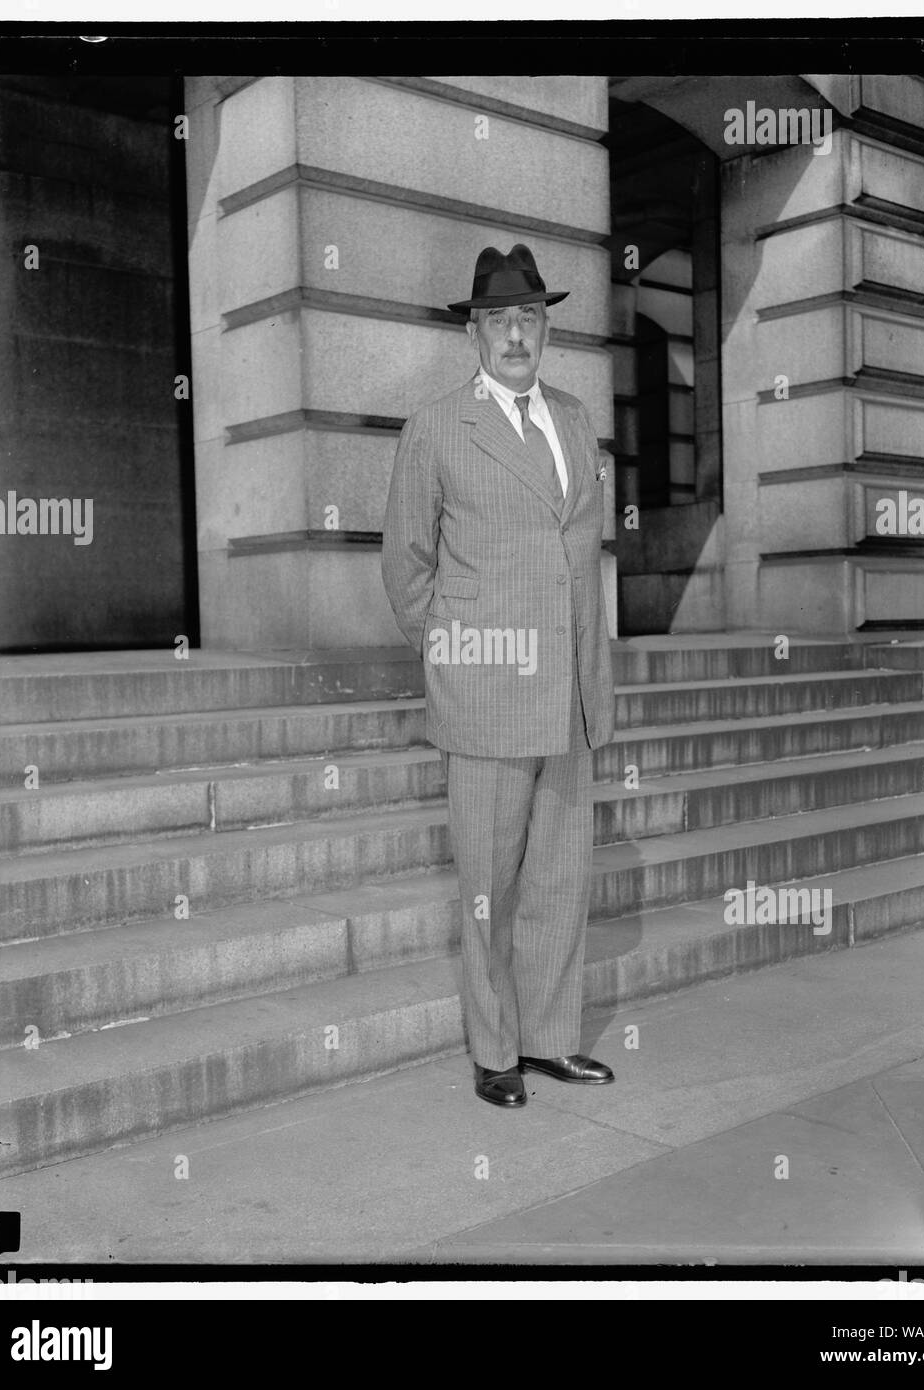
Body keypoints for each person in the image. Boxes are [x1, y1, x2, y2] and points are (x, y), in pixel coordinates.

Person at [381, 244, 616, 1107]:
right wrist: (453, 655)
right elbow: (406, 563)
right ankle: (494, 1051)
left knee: (560, 878)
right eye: (499, 321)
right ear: (473, 333)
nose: (516, 334)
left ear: (546, 329)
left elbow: (576, 553)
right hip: (487, 693)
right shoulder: (438, 427)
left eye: (530, 319)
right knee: (488, 886)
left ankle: (550, 1039)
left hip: (572, 690)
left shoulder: (576, 418)